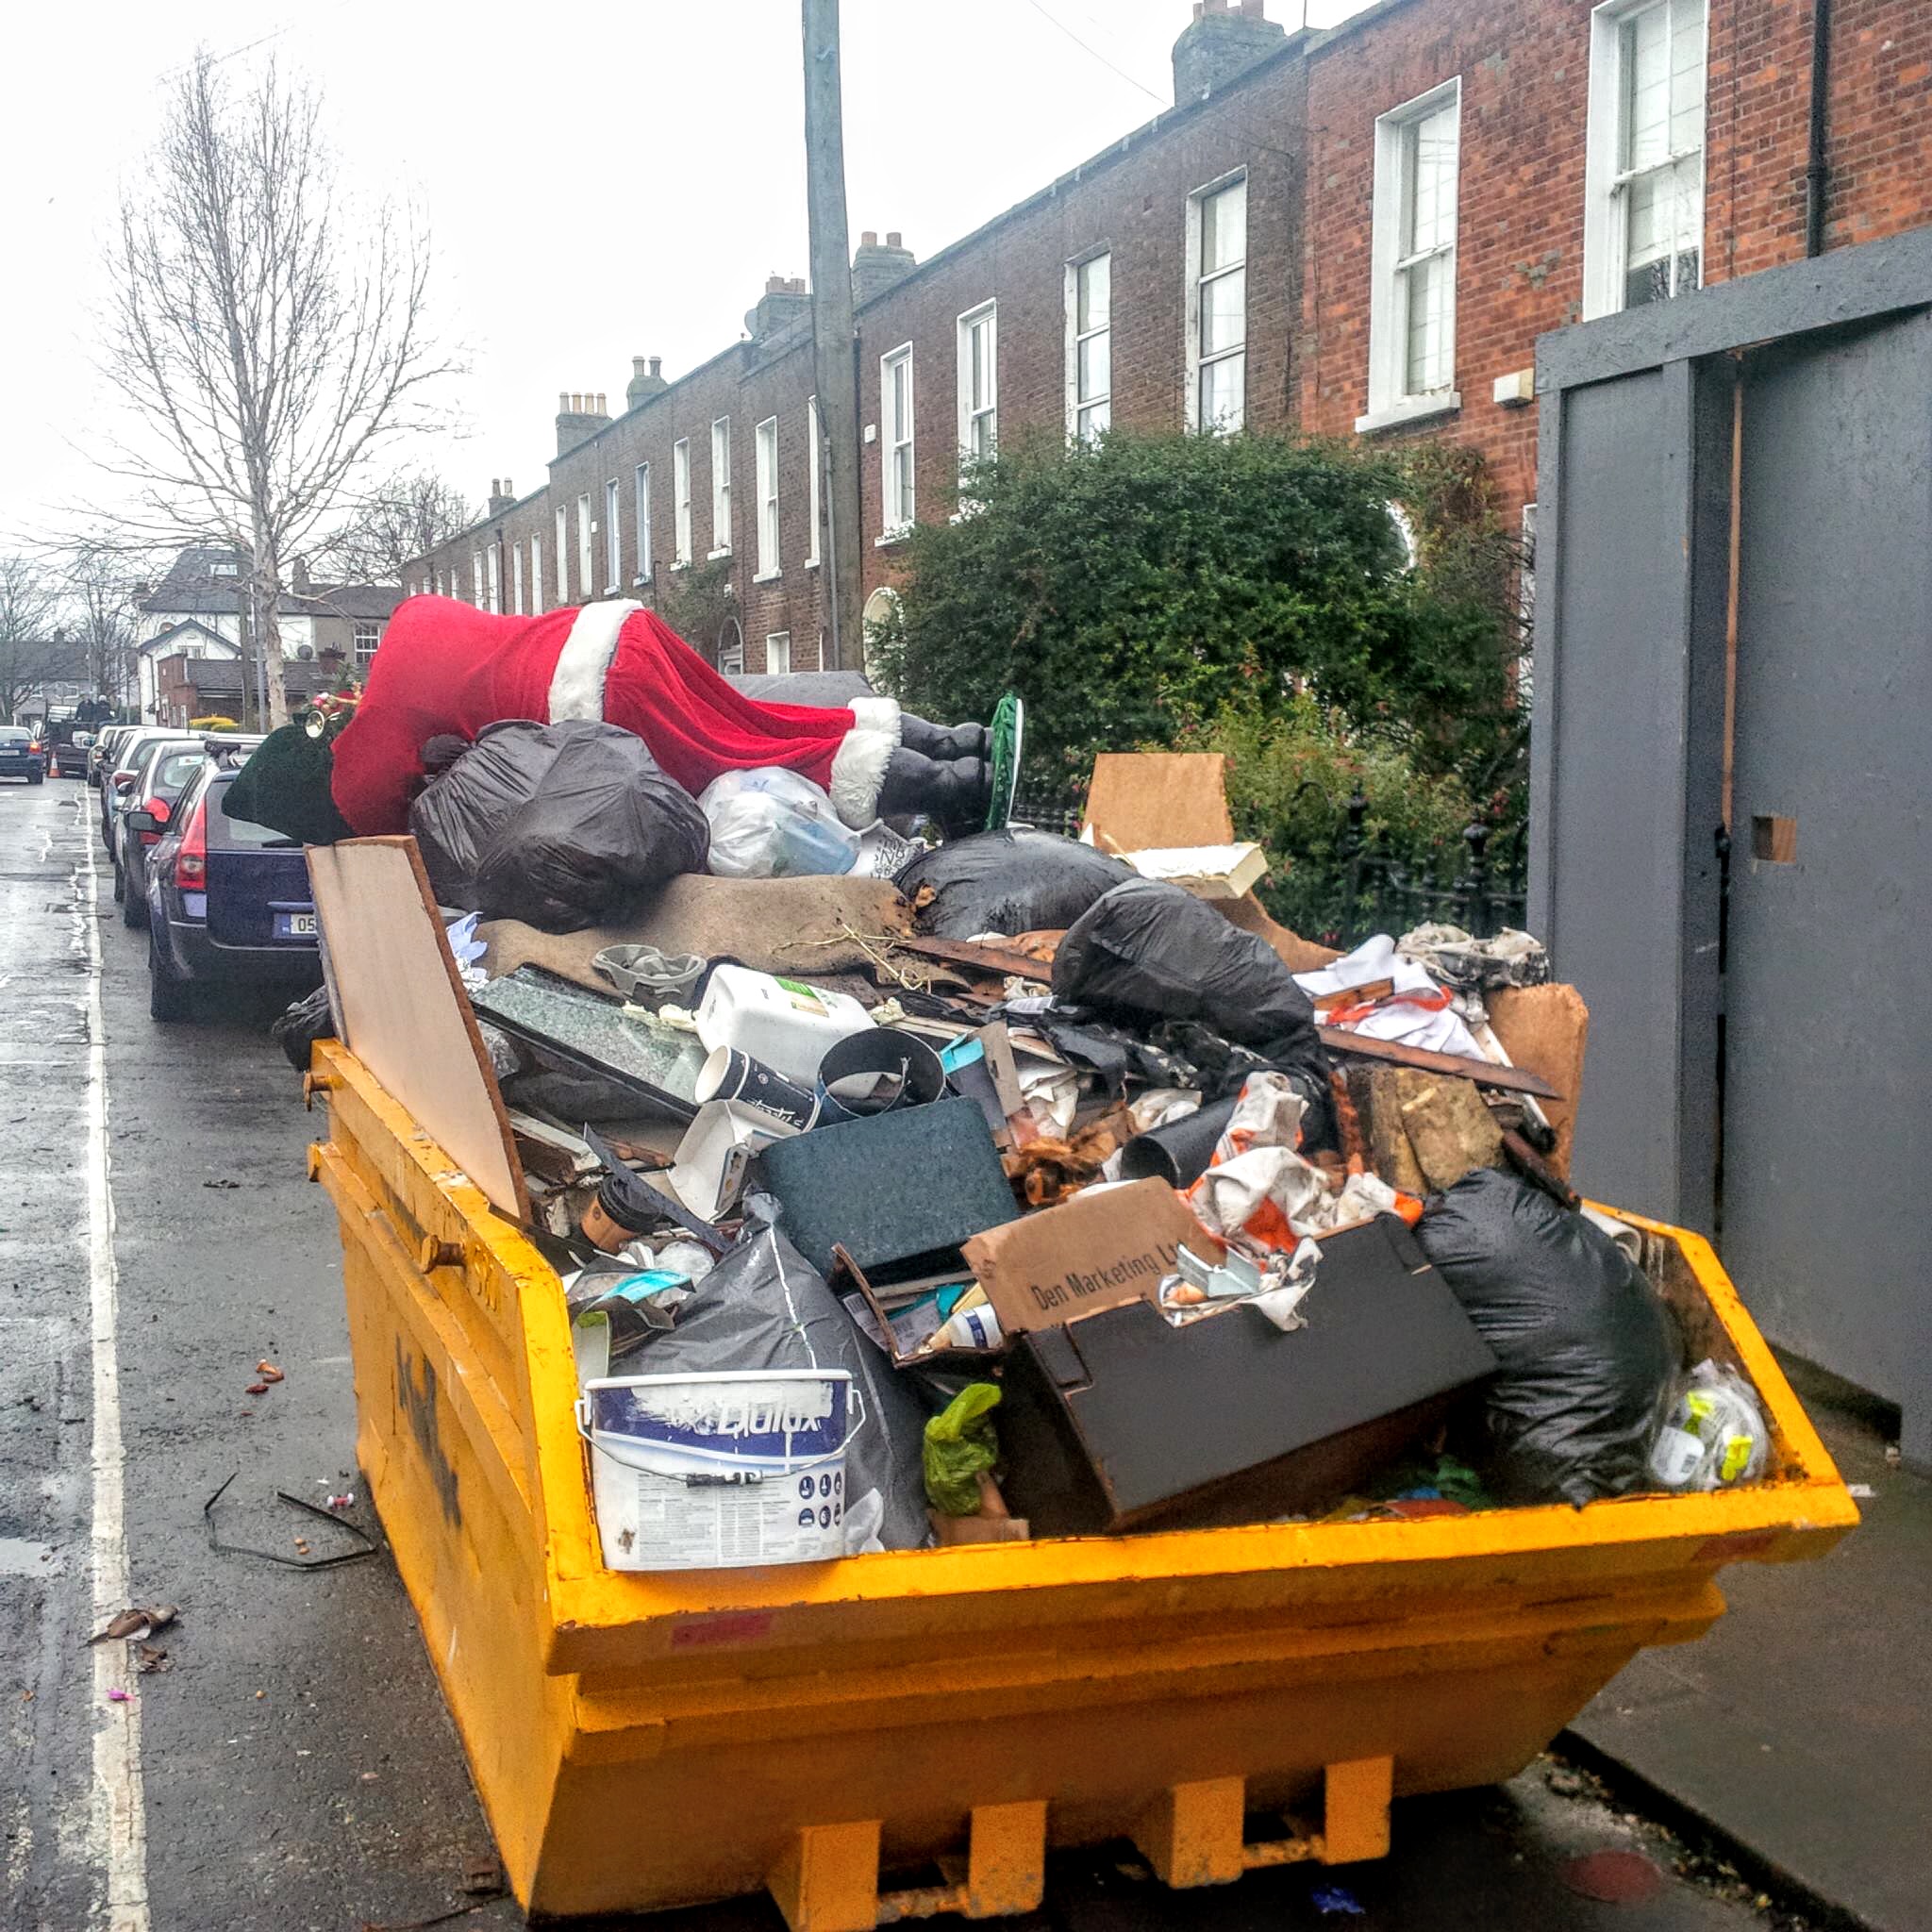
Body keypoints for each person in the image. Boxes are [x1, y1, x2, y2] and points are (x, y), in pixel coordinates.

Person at [226, 595, 991, 843]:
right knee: (758, 721)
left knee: (750, 771)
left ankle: (955, 790)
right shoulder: (408, 623)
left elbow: (393, 827)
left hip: (597, 704)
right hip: (616, 632)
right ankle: (954, 740)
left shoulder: (361, 765)